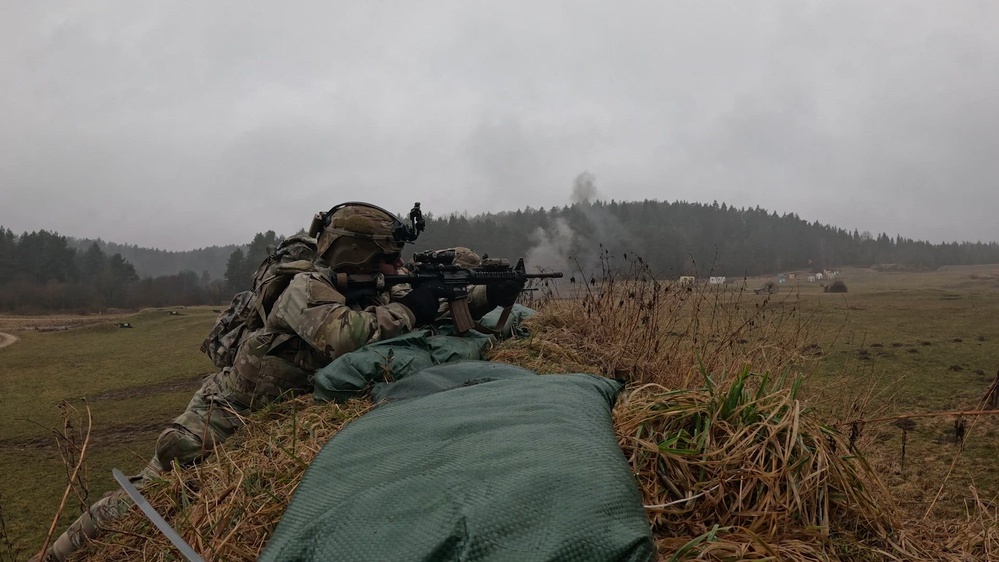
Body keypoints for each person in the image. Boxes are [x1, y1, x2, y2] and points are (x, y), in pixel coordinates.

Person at [34, 202, 521, 562]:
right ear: (356, 256)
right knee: (148, 494)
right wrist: (412, 305)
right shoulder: (303, 286)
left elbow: (418, 308)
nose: (396, 270)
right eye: (385, 261)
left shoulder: (364, 281)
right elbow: (343, 336)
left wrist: (480, 295)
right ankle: (56, 553)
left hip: (273, 411)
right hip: (227, 412)